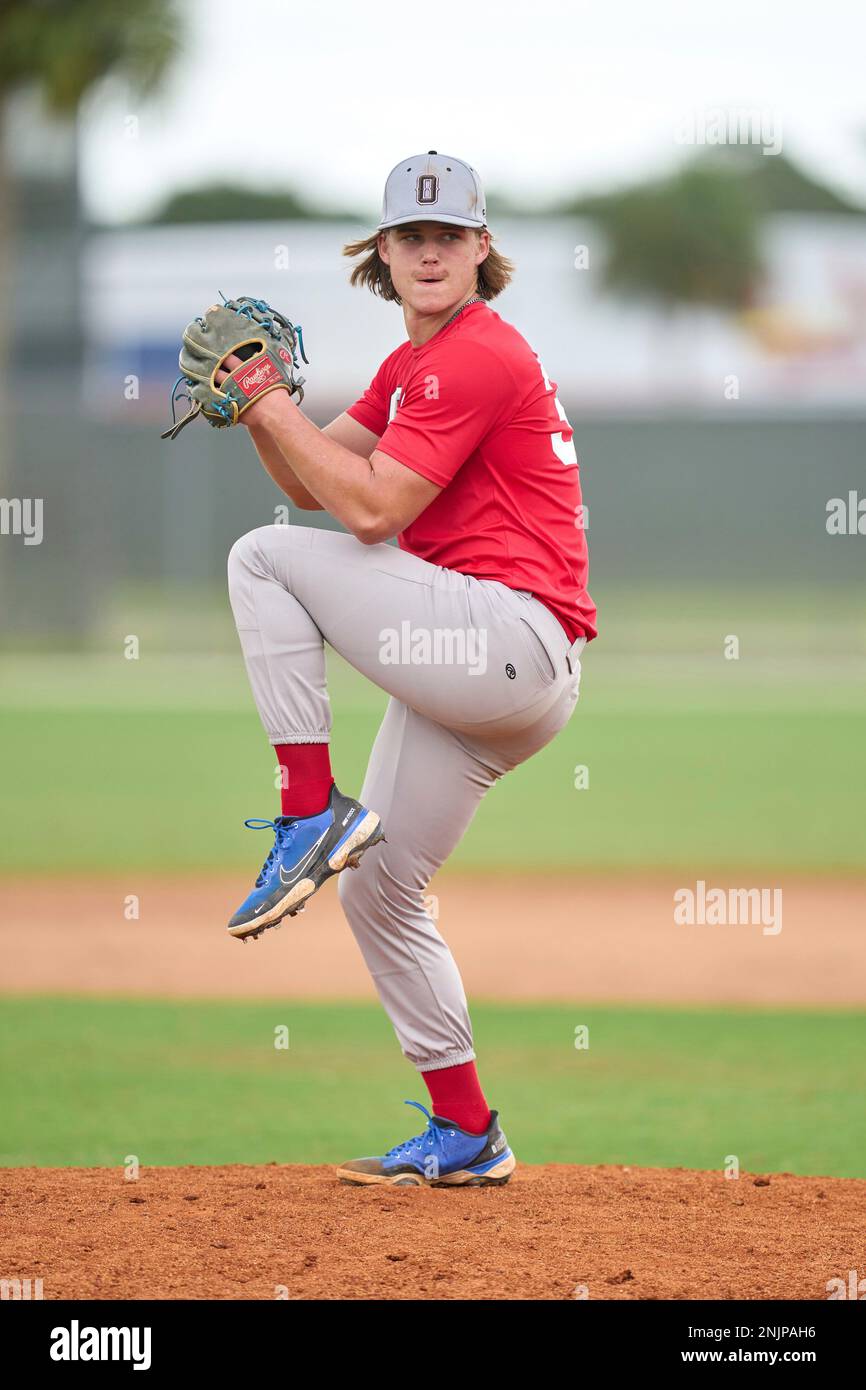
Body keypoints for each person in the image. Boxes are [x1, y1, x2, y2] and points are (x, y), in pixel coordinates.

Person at [219, 151, 597, 1187]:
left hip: (501, 639)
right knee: (379, 889)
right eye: (408, 236)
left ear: (482, 249)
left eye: (449, 235)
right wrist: (263, 406)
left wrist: (268, 400)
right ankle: (467, 1130)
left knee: (259, 558)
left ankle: (306, 810)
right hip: (493, 673)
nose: (428, 252)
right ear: (380, 255)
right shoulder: (409, 367)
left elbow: (373, 511)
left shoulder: (473, 355)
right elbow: (313, 476)